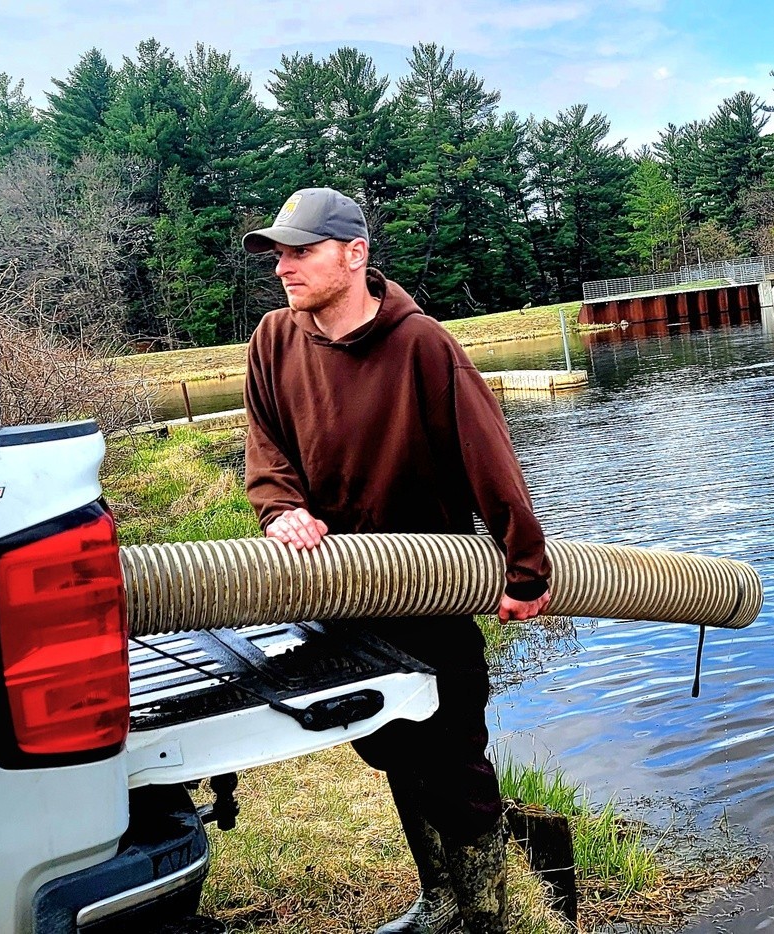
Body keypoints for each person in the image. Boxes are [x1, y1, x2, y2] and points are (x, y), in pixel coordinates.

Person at [241, 187, 552, 934]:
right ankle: (438, 901)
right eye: (278, 253)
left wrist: (525, 568)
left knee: (454, 757)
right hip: (337, 594)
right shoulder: (273, 341)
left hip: (429, 592)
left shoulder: (423, 345)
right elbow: (266, 441)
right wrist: (283, 507)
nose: (284, 267)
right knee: (388, 747)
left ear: (355, 254)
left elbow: (491, 460)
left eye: (301, 251)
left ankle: (485, 916)